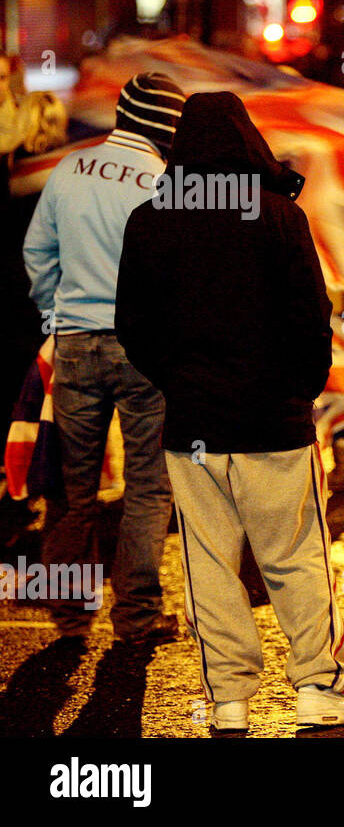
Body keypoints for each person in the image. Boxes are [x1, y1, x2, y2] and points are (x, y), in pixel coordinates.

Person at [115, 91, 344, 731]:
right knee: (295, 559)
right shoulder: (280, 217)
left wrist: (176, 381)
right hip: (273, 421)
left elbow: (133, 326)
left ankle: (229, 699)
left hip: (193, 424)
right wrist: (299, 391)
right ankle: (318, 687)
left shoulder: (149, 220)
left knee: (209, 564)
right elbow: (313, 320)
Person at [21, 72, 183, 645]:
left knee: (72, 485)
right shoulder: (166, 183)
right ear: (165, 125)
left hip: (74, 344)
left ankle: (69, 613)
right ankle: (137, 617)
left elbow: (37, 251)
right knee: (148, 486)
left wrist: (55, 310)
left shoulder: (70, 169)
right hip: (143, 351)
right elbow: (177, 277)